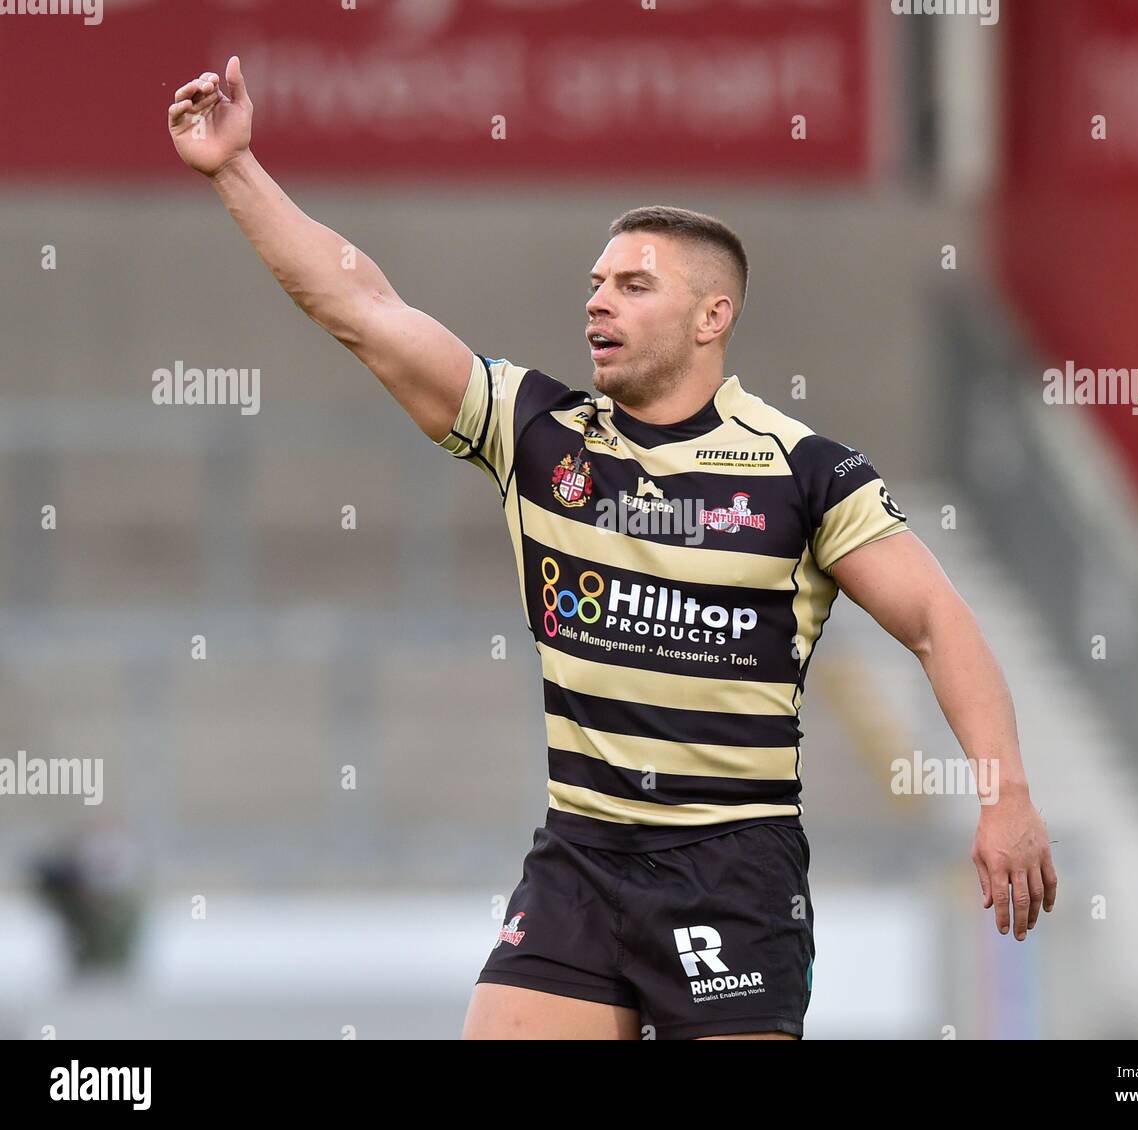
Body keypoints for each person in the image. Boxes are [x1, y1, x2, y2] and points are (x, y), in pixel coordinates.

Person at [167, 58, 1058, 1041]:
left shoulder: (806, 472)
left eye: (634, 286)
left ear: (712, 316)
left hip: (732, 871)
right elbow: (364, 310)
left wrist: (1004, 793)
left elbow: (937, 622)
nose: (598, 302)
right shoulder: (536, 432)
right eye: (595, 284)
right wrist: (235, 170)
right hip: (581, 862)